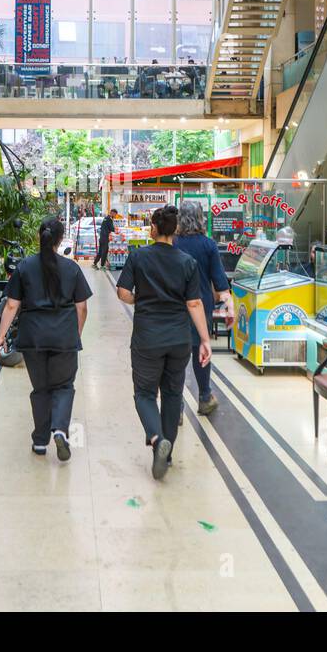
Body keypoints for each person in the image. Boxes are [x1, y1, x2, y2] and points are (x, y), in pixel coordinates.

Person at [116, 205, 212, 480]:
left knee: (144, 393)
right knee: (172, 394)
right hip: (179, 339)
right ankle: (166, 457)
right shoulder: (187, 262)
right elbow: (194, 303)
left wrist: (139, 300)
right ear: (177, 230)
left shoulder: (138, 257)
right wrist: (204, 340)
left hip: (147, 337)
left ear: (153, 228)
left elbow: (123, 292)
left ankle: (157, 439)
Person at [0, 217, 91, 459]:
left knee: (40, 389)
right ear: (60, 240)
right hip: (64, 336)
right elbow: (82, 308)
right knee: (64, 386)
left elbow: (11, 306)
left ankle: (39, 441)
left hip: (33, 336)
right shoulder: (72, 269)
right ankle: (59, 429)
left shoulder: (25, 267)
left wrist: (0, 337)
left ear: (40, 236)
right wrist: (75, 334)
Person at [173, 201, 233, 416]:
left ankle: (176, 406)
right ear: (201, 218)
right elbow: (219, 281)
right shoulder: (208, 245)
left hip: (176, 306)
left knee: (177, 355)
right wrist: (229, 306)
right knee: (201, 350)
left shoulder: (173, 243)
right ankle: (205, 397)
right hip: (202, 305)